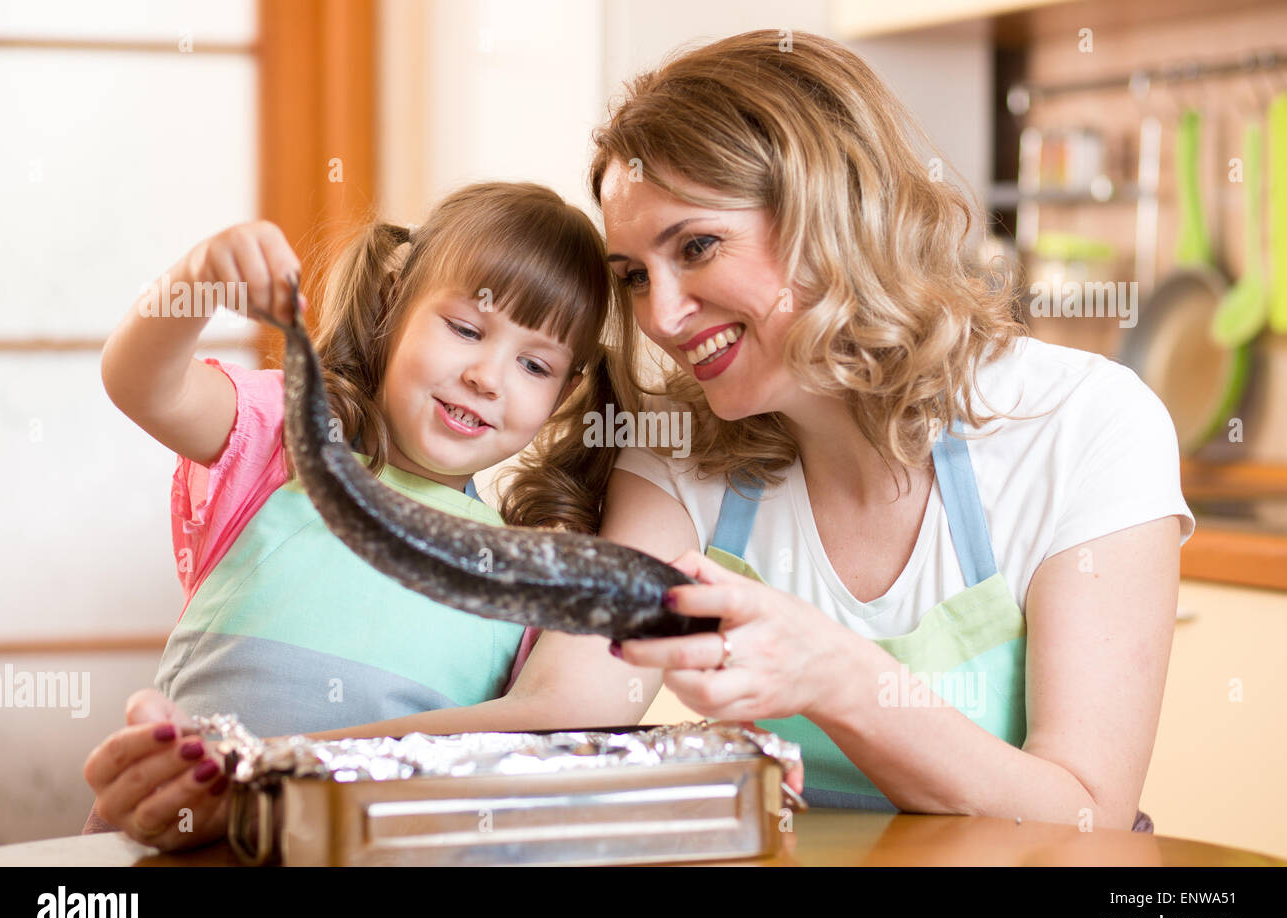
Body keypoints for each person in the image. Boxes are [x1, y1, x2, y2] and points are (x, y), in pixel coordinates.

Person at [592, 30, 1193, 830]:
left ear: (834, 212)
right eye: (634, 276)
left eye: (697, 246)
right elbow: (574, 703)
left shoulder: (1086, 425)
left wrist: (838, 678)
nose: (661, 316)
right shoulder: (679, 449)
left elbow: (1087, 816)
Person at [83, 182, 641, 848]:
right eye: (465, 329)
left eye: (533, 364)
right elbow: (138, 384)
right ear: (392, 298)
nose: (488, 377)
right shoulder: (285, 439)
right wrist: (199, 278)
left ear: (567, 391)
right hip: (175, 838)